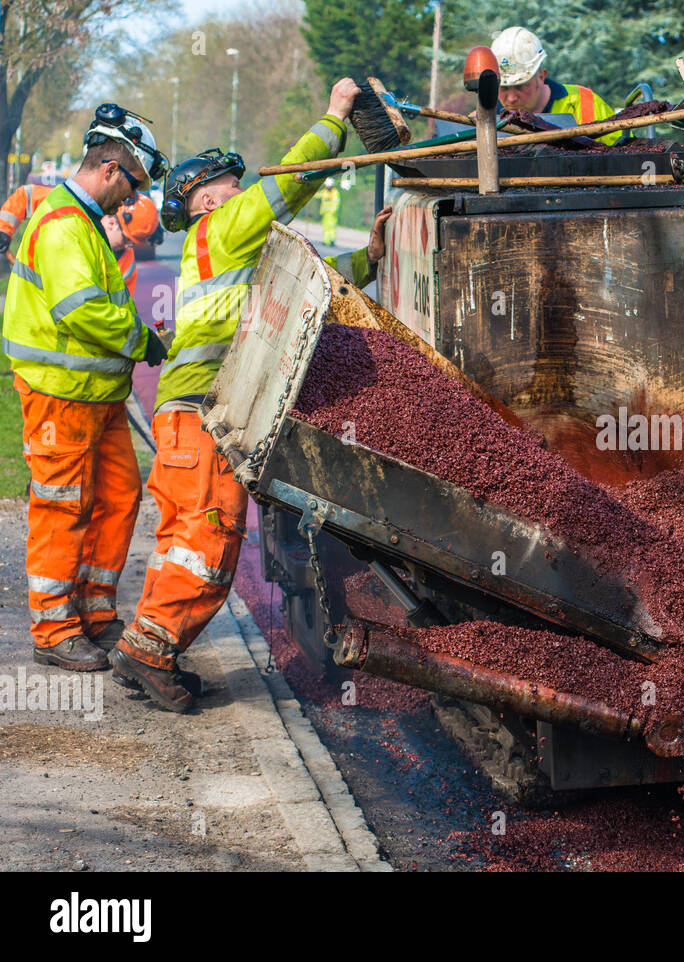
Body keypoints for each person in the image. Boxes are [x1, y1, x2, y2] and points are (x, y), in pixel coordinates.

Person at [110, 77, 393, 712]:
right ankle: (150, 651)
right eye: (232, 186)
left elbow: (305, 292)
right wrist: (335, 117)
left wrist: (368, 261)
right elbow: (285, 185)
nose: (243, 193)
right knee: (210, 536)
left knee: (183, 536)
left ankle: (147, 646)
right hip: (202, 413)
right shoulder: (222, 231)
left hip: (192, 413)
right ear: (206, 197)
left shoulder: (237, 252)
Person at [2, 104, 168, 672]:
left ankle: (95, 612)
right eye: (133, 188)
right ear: (112, 167)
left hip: (97, 397)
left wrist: (139, 336)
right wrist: (141, 339)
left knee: (119, 498)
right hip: (60, 396)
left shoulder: (83, 224)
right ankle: (53, 628)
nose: (130, 202)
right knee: (61, 507)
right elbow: (82, 310)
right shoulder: (63, 224)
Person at [490, 26, 620, 145]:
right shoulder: (481, 119)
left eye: (521, 86)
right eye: (504, 87)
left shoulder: (584, 103)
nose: (512, 98)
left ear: (541, 76)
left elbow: (623, 153)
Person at [319, 177, 340, 245]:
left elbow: (336, 203)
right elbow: (320, 195)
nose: (328, 187)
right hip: (325, 213)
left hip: (332, 214)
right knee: (326, 227)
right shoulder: (324, 191)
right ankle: (326, 240)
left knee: (332, 227)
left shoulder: (335, 192)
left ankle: (332, 240)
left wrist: (333, 211)